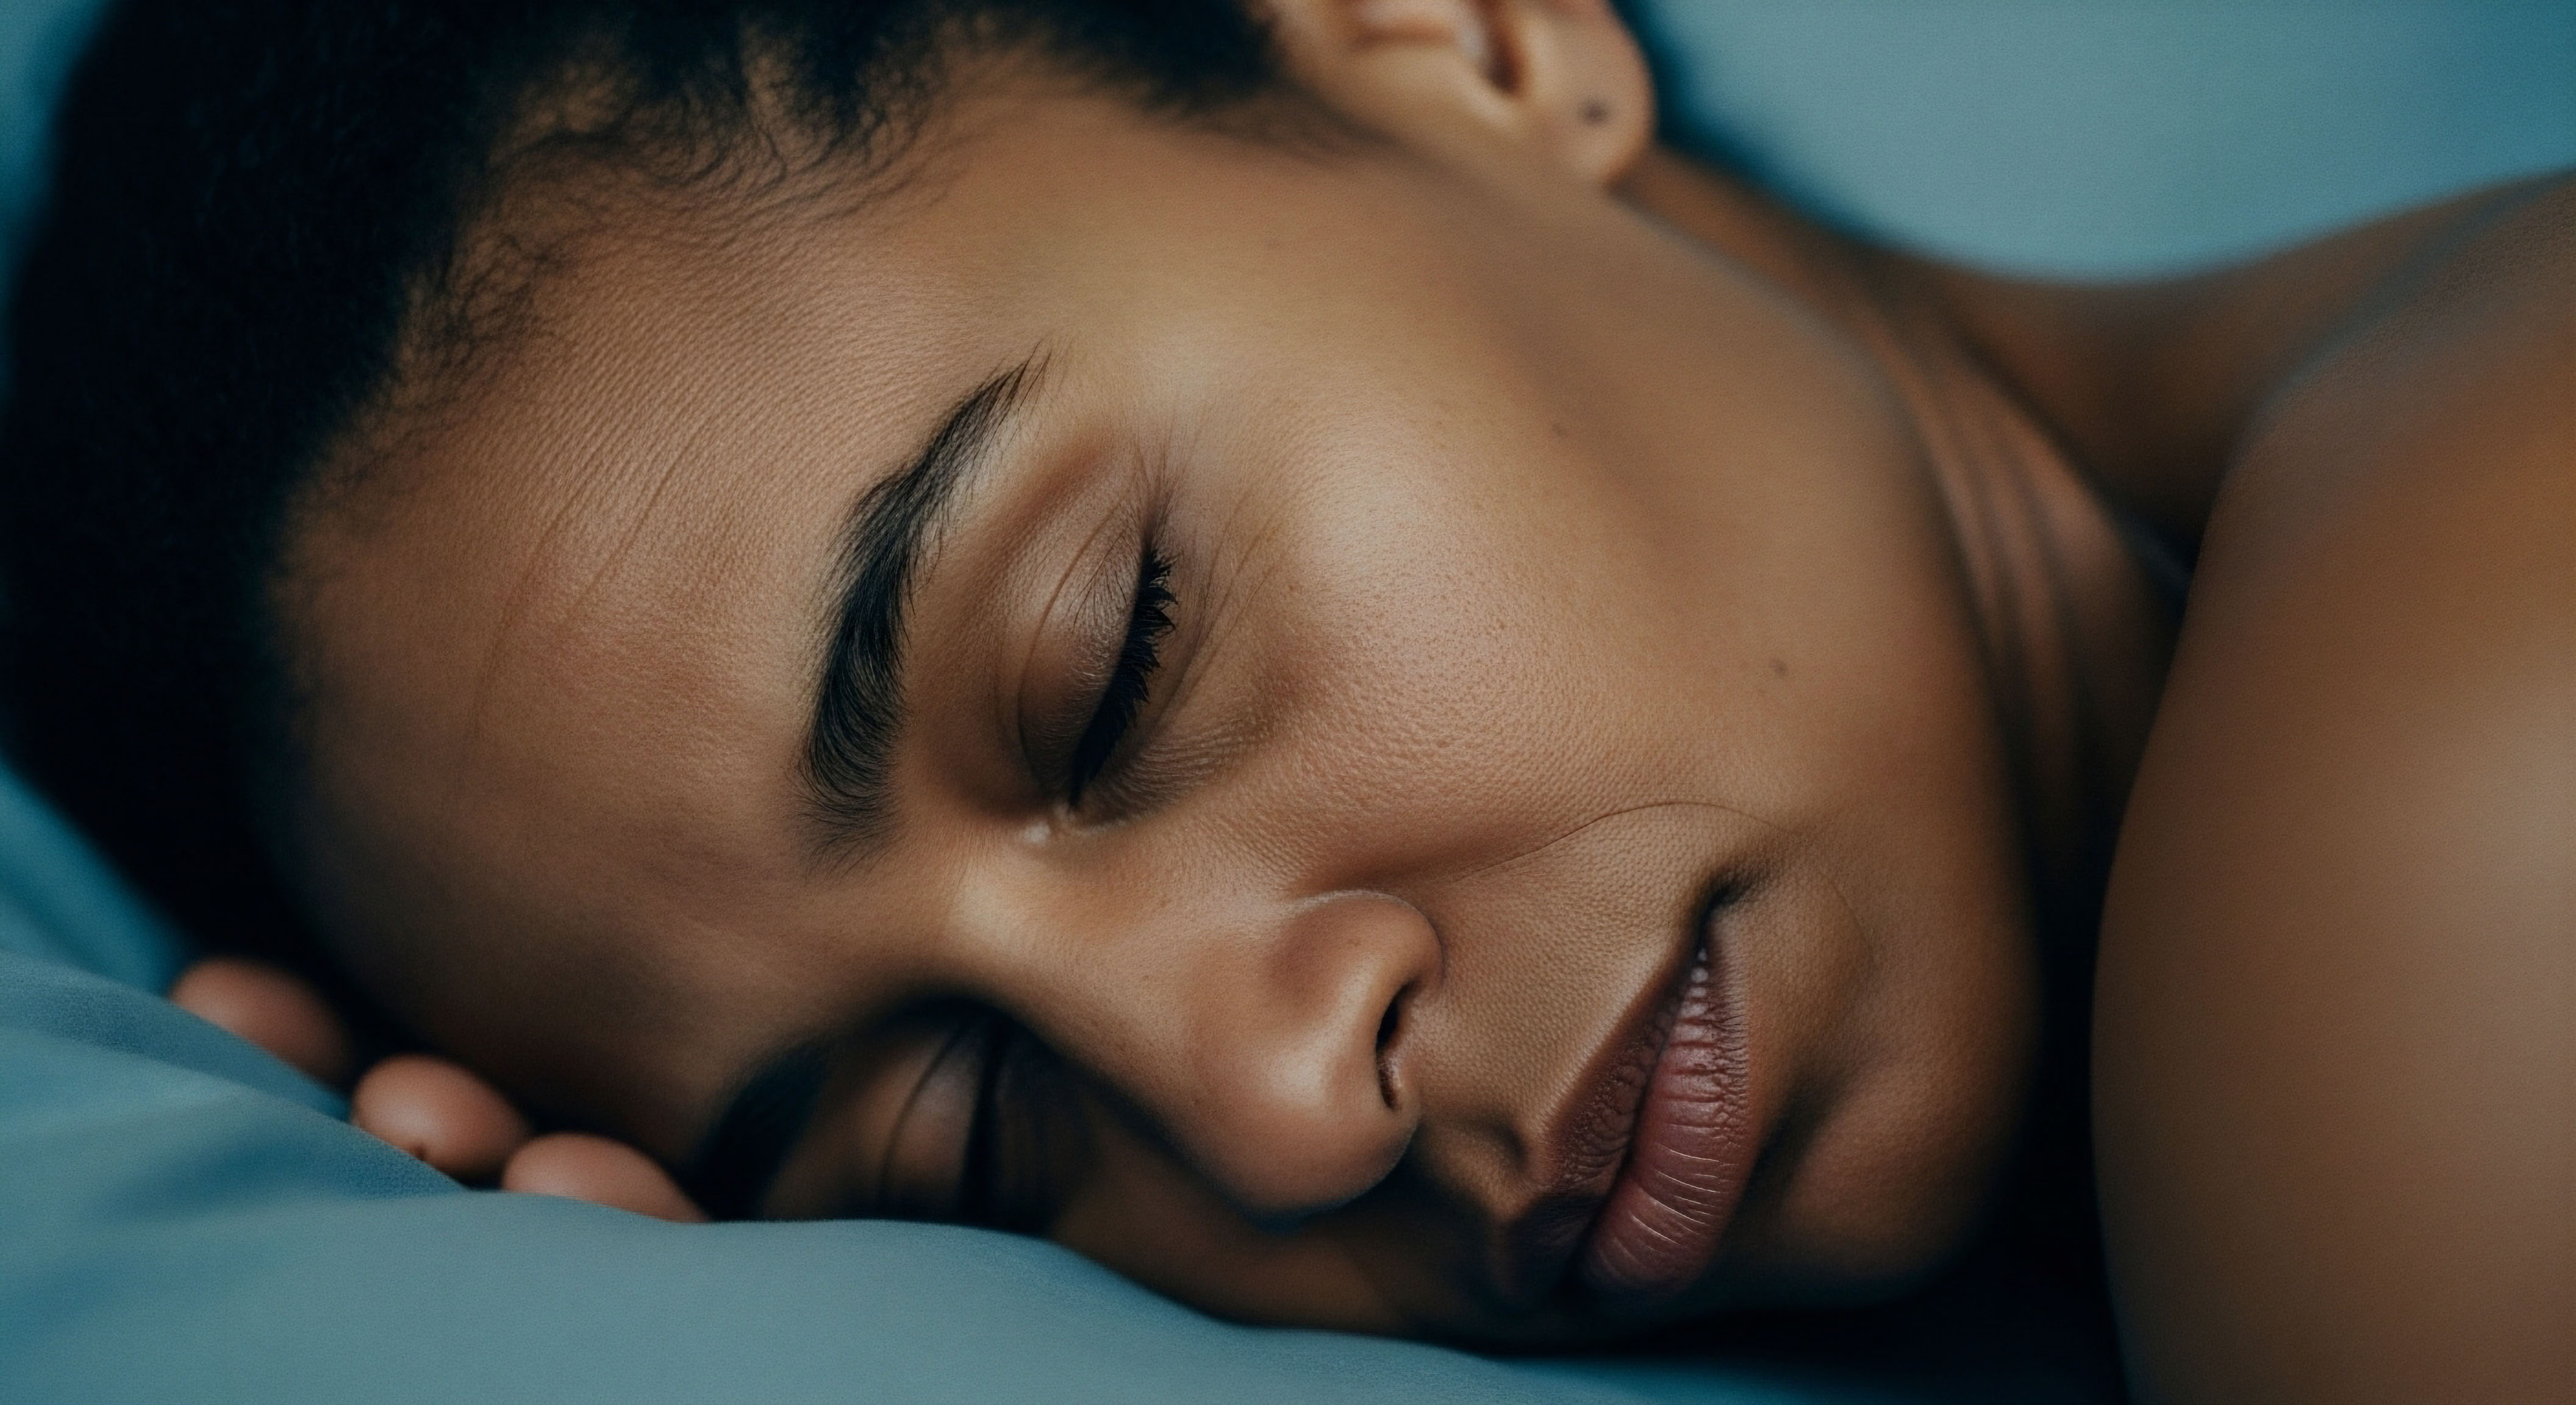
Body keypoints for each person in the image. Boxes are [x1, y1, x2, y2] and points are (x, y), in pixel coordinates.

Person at [2, 0, 2564, 1398]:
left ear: (1451, 38)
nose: (1264, 1102)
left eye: (1111, 662)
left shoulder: (2457, 745)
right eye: (970, 1130)